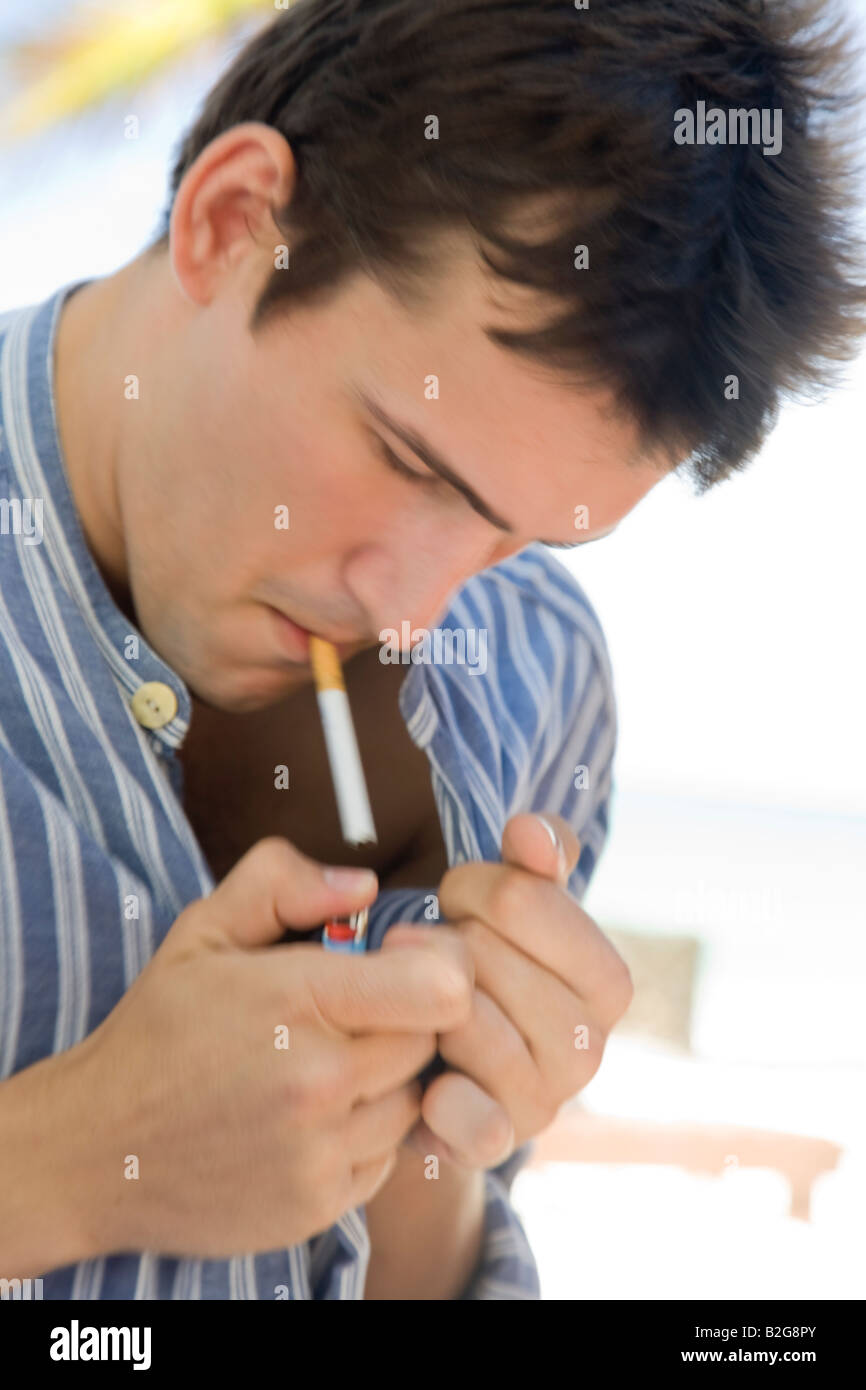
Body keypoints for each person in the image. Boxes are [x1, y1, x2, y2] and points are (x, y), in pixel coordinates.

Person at [0, 0, 863, 1300]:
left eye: (514, 537)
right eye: (407, 461)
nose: (412, 611)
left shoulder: (539, 673)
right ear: (233, 223)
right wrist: (71, 1157)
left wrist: (436, 1142)